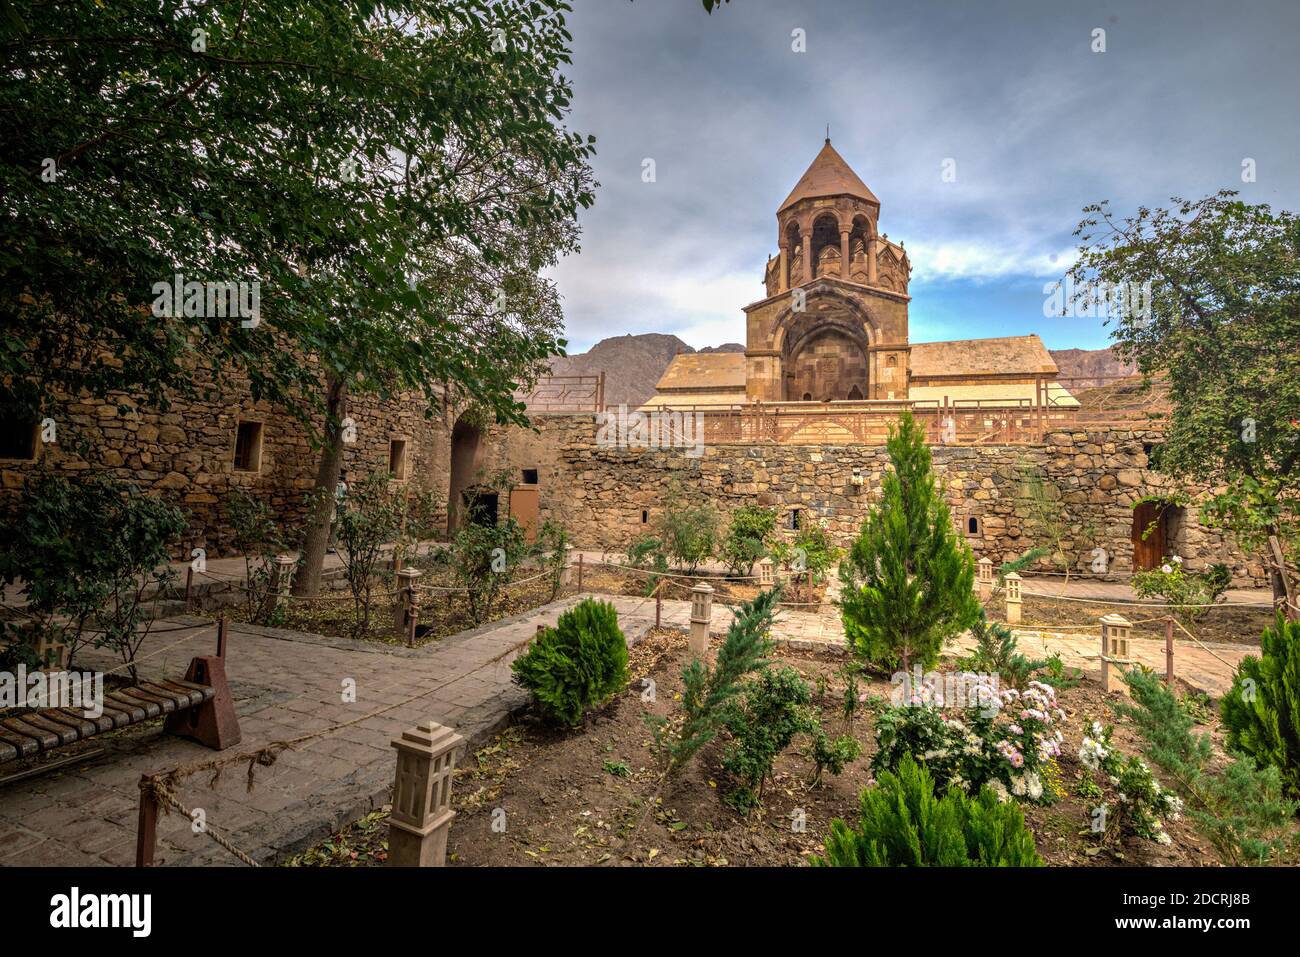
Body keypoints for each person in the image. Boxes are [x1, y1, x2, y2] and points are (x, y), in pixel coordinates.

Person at [327, 469, 348, 554]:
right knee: (329, 525)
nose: (339, 479)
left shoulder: (344, 485)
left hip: (340, 508)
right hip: (332, 508)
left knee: (336, 528)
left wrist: (343, 505)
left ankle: (332, 547)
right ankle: (326, 545)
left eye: (341, 478)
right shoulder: (331, 485)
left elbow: (345, 495)